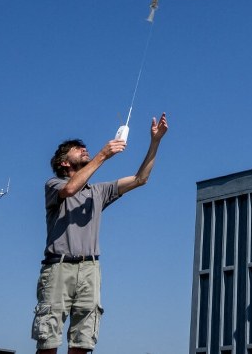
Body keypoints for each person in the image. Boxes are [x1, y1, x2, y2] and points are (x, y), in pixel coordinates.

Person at [32, 113, 169, 354]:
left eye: (85, 148)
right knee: (48, 340)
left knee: (83, 342)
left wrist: (155, 141)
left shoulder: (98, 191)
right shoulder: (54, 185)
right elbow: (71, 188)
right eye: (77, 149)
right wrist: (103, 155)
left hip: (90, 269)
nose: (84, 149)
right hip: (58, 267)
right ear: (64, 162)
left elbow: (141, 179)